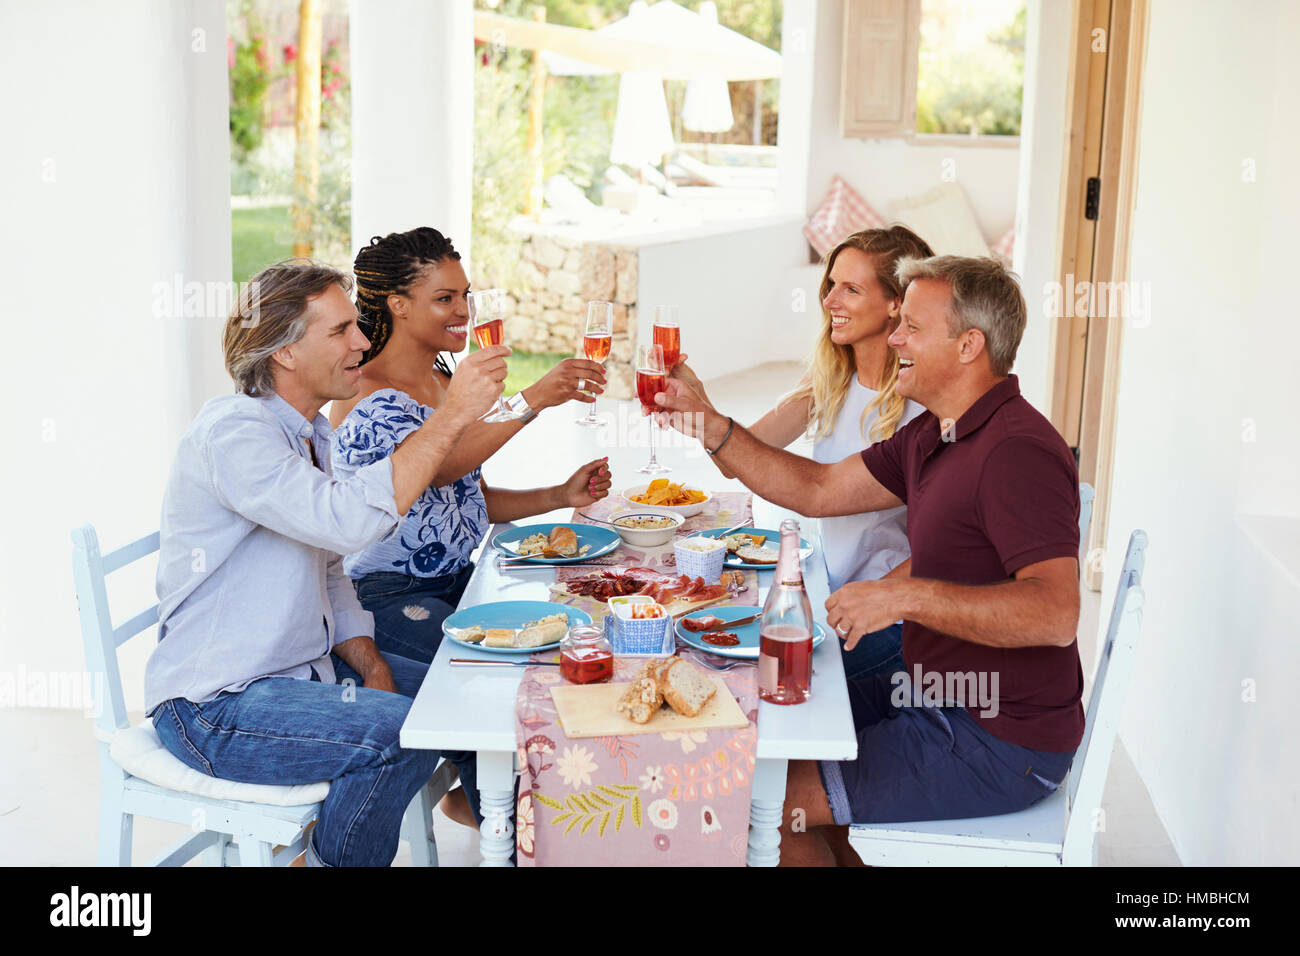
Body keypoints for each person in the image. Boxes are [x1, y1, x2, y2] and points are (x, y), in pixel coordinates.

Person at [652, 256, 1083, 866]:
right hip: (931, 692)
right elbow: (820, 489)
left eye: (911, 327)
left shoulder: (1015, 452)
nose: (895, 338)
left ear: (969, 346)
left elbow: (1055, 614)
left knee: (745, 801)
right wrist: (712, 425)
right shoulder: (938, 430)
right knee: (764, 736)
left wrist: (901, 596)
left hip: (997, 738)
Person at [145, 260, 507, 866]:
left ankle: (530, 850)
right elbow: (346, 520)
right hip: (216, 706)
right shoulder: (236, 434)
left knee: (463, 701)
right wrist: (451, 418)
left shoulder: (310, 432)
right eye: (341, 330)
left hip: (303, 677)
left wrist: (368, 662)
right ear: (285, 351)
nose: (362, 342)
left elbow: (331, 567)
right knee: (399, 732)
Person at [328, 227, 613, 666]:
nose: (464, 309)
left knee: (577, 625)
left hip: (462, 577)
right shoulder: (365, 393)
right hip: (388, 594)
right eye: (445, 298)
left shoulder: (447, 384)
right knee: (498, 665)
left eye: (465, 294)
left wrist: (559, 496)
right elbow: (439, 466)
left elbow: (468, 497)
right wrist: (534, 397)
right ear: (398, 305)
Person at [670, 225, 935, 679]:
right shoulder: (830, 378)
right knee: (699, 637)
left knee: (766, 672)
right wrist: (698, 402)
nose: (830, 301)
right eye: (830, 285)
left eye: (850, 289)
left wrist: (868, 602)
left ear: (897, 303)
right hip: (827, 587)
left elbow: (944, 548)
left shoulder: (924, 406)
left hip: (886, 617)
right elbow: (739, 460)